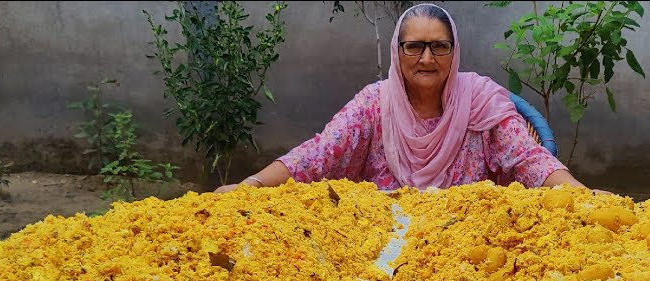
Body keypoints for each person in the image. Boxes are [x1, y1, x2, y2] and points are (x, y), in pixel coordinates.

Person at [215, 3, 596, 193]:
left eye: (439, 47)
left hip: (461, 245)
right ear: (398, 52)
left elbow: (529, 159)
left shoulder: (480, 101)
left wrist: (583, 194)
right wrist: (253, 185)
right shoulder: (373, 104)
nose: (427, 59)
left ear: (454, 51)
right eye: (415, 46)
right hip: (375, 246)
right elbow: (319, 155)